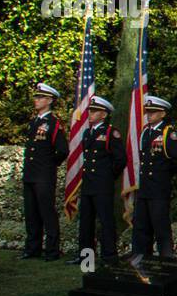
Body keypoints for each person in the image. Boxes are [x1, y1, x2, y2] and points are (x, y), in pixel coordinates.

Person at [73, 96, 126, 266]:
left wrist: (109, 175)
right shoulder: (88, 133)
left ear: (103, 114)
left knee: (105, 220)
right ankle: (86, 257)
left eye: (94, 111)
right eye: (90, 110)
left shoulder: (111, 132)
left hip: (102, 184)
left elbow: (120, 159)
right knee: (86, 222)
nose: (90, 113)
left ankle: (109, 255)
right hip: (88, 183)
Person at [21, 82, 69, 261]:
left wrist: (49, 166)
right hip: (30, 174)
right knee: (31, 213)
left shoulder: (53, 123)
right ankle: (32, 248)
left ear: (49, 100)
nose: (36, 100)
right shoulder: (34, 122)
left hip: (43, 176)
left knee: (46, 212)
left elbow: (63, 150)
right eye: (36, 97)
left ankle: (52, 250)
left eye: (40, 97)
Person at [132, 95, 177, 259]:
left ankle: (165, 259)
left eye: (153, 112)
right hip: (145, 187)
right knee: (141, 227)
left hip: (159, 187)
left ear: (162, 114)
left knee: (160, 227)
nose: (149, 115)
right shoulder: (146, 132)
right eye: (148, 112)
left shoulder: (168, 133)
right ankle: (140, 259)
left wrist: (163, 174)